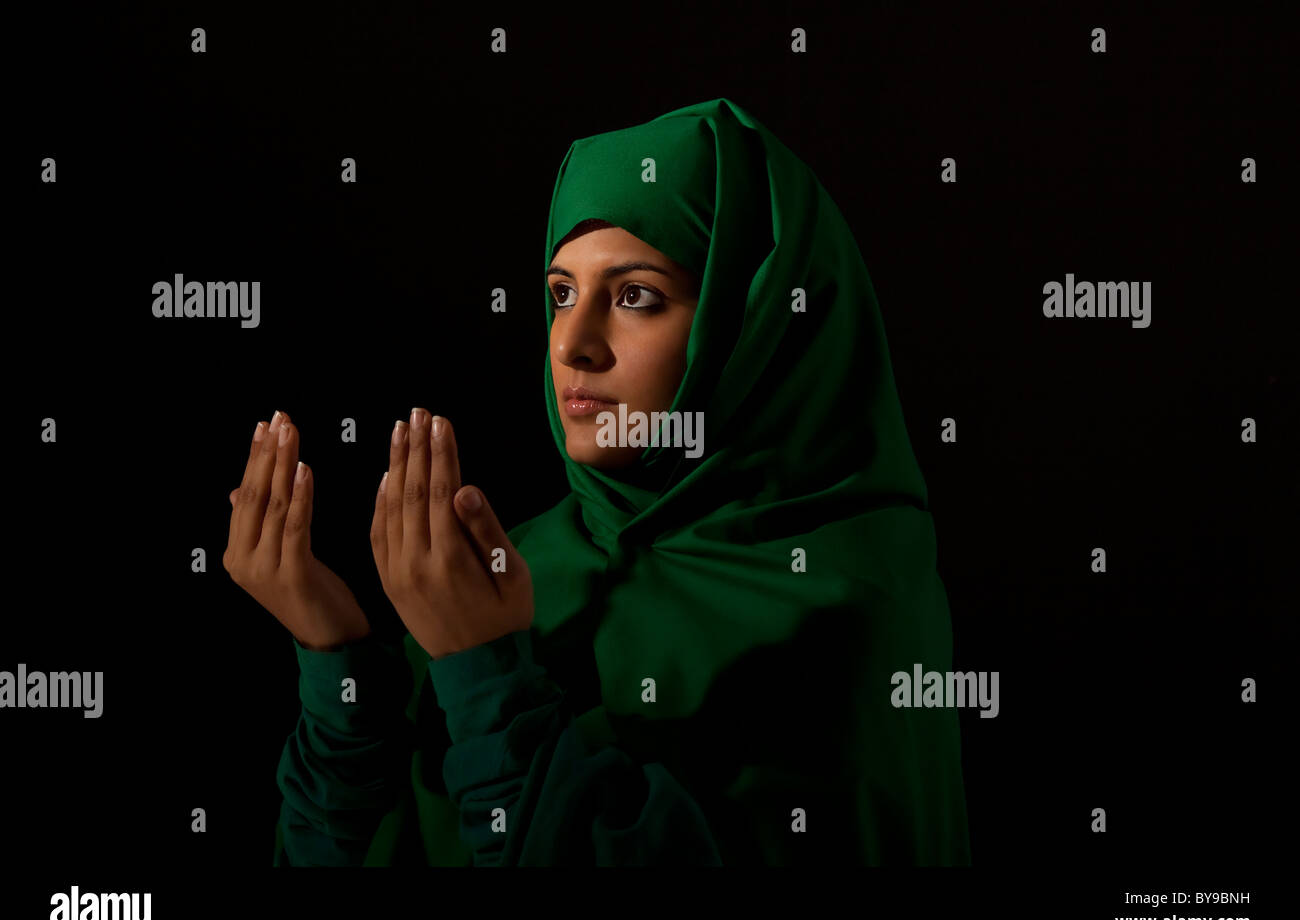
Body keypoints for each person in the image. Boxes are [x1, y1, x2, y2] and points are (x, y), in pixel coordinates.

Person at [228, 97, 971, 865]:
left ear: (750, 324)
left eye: (636, 297)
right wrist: (337, 661)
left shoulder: (848, 607)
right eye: (561, 294)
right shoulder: (502, 577)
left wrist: (488, 681)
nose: (573, 345)